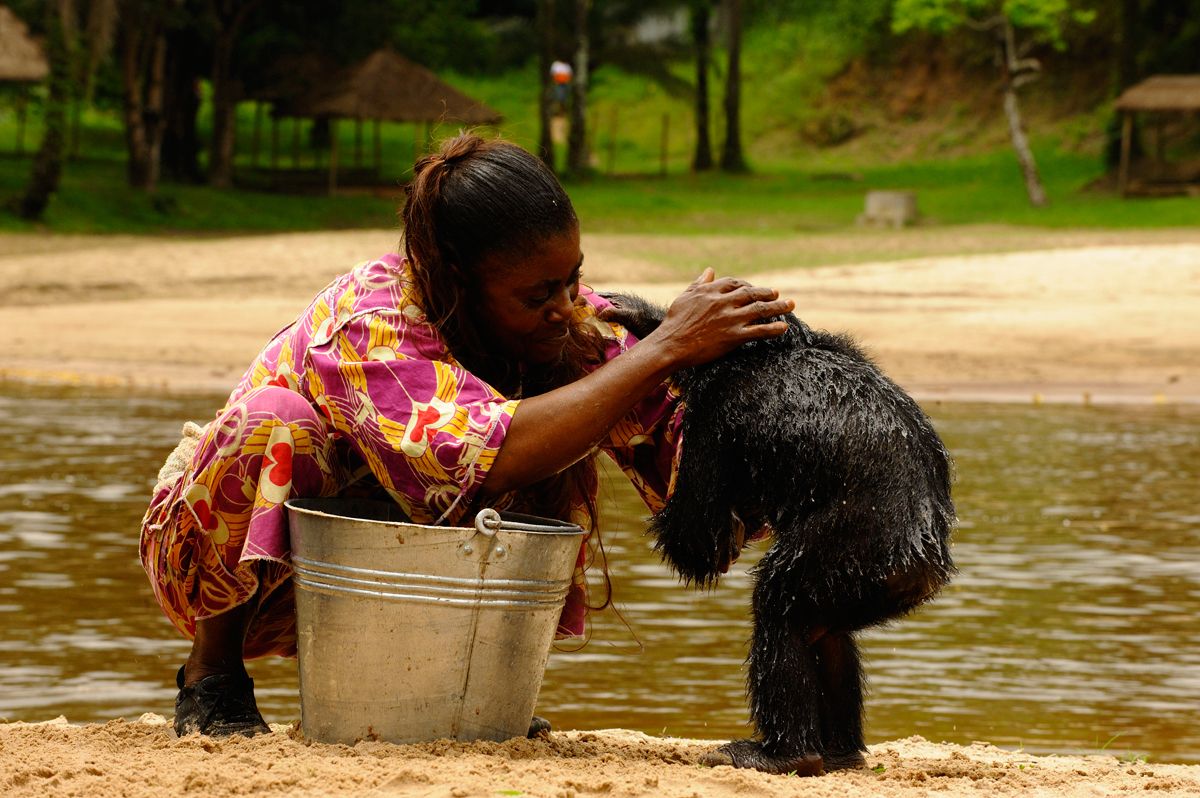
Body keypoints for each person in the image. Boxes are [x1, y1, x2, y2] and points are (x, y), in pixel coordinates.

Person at [139, 132, 794, 739]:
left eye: (573, 279)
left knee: (578, 390)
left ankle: (469, 687)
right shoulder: (369, 323)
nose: (566, 305)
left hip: (360, 577)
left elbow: (679, 446)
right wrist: (664, 350)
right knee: (274, 419)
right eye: (540, 293)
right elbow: (481, 458)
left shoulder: (561, 317)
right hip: (233, 573)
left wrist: (734, 387)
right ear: (456, 278)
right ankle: (213, 678)